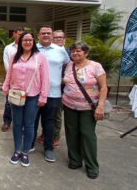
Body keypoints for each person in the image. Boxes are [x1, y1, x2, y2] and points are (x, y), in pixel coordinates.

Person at [2, 32, 49, 167]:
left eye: (30, 40)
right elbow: (9, 73)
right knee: (17, 124)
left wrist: (43, 96)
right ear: (20, 42)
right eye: (24, 40)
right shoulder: (14, 56)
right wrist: (6, 87)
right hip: (16, 95)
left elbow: (45, 78)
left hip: (33, 96)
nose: (27, 42)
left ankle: (25, 152)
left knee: (29, 125)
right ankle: (17, 150)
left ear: (33, 41)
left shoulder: (40, 57)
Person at [62, 42, 107, 179]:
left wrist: (100, 106)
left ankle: (91, 165)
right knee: (71, 133)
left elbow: (103, 87)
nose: (75, 53)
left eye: (78, 51)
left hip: (88, 107)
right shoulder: (70, 65)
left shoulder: (95, 66)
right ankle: (75, 160)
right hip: (69, 105)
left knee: (87, 136)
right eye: (73, 51)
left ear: (86, 53)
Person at [31, 26, 69, 163]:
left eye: (48, 33)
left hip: (53, 93)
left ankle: (49, 148)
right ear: (38, 36)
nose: (46, 35)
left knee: (49, 122)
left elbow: (68, 65)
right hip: (34, 92)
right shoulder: (32, 49)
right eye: (43, 33)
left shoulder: (60, 51)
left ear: (52, 36)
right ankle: (30, 144)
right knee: (32, 120)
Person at [1, 27, 24, 132]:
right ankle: (7, 121)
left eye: (22, 34)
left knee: (23, 101)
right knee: (9, 101)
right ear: (14, 34)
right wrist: (12, 76)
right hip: (11, 79)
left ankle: (21, 124)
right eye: (19, 34)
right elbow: (7, 64)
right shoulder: (8, 48)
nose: (20, 36)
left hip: (25, 81)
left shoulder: (27, 47)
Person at [52, 30, 70, 147]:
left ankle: (55, 136)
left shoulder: (69, 53)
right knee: (48, 114)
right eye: (56, 37)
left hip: (64, 89)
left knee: (57, 114)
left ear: (64, 39)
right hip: (50, 88)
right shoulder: (49, 52)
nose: (58, 39)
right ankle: (46, 133)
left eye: (60, 37)